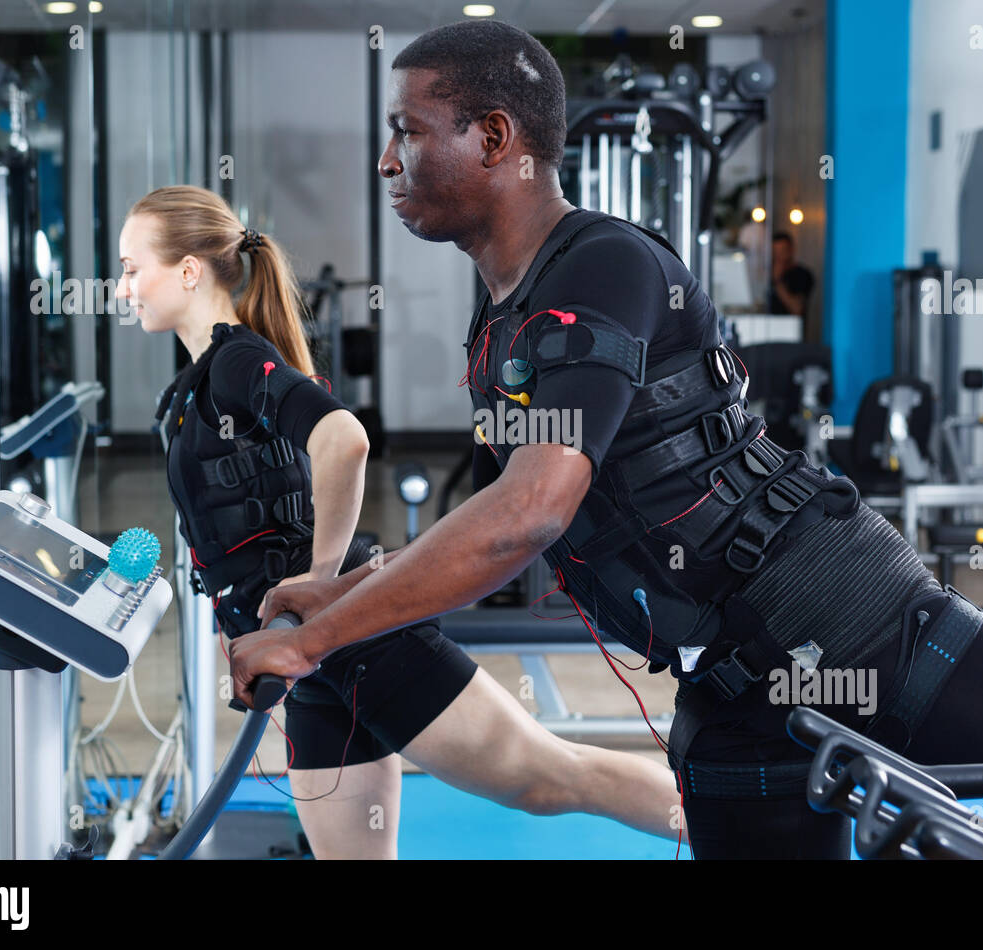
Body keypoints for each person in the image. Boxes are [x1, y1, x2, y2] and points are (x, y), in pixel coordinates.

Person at [231, 20, 983, 859]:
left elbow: (530, 514)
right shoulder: (501, 318)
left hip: (851, 617)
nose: (388, 162)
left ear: (492, 139)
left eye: (407, 131)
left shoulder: (602, 264)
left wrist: (319, 637)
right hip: (733, 685)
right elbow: (500, 513)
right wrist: (348, 587)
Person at [117, 185, 680, 859]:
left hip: (350, 639)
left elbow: (343, 439)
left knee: (547, 776)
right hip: (310, 663)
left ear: (187, 270)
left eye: (131, 268)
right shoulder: (195, 384)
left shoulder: (236, 360)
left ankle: (744, 835)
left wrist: (320, 586)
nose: (123, 288)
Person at [766, 232, 814, 317]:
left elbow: (797, 309)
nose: (779, 256)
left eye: (782, 251)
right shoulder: (766, 274)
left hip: (791, 327)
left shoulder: (802, 275)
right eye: (775, 253)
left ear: (791, 250)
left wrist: (777, 281)